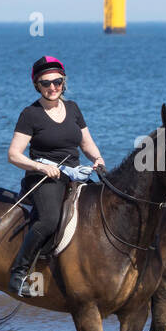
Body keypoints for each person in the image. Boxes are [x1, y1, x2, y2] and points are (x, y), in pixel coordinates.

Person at [7, 56, 106, 296]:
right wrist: (41, 168)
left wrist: (98, 159)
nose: (52, 87)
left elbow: (86, 142)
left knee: (104, 208)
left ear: (64, 82)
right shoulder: (30, 114)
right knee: (50, 219)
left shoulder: (72, 108)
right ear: (36, 85)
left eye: (57, 82)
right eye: (46, 83)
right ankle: (19, 273)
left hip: (74, 172)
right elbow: (13, 154)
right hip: (44, 176)